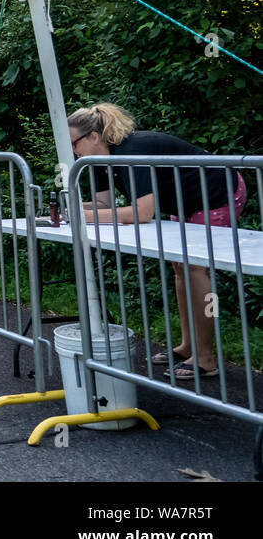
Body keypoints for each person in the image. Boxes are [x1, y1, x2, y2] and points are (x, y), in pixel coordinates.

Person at [69, 102, 247, 381]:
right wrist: (68, 211)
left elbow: (142, 213)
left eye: (74, 143)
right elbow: (102, 203)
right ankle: (188, 346)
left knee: (194, 268)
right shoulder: (97, 160)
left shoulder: (132, 151)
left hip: (217, 193)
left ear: (93, 137)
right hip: (183, 201)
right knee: (180, 267)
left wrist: (81, 216)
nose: (72, 151)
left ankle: (206, 357)